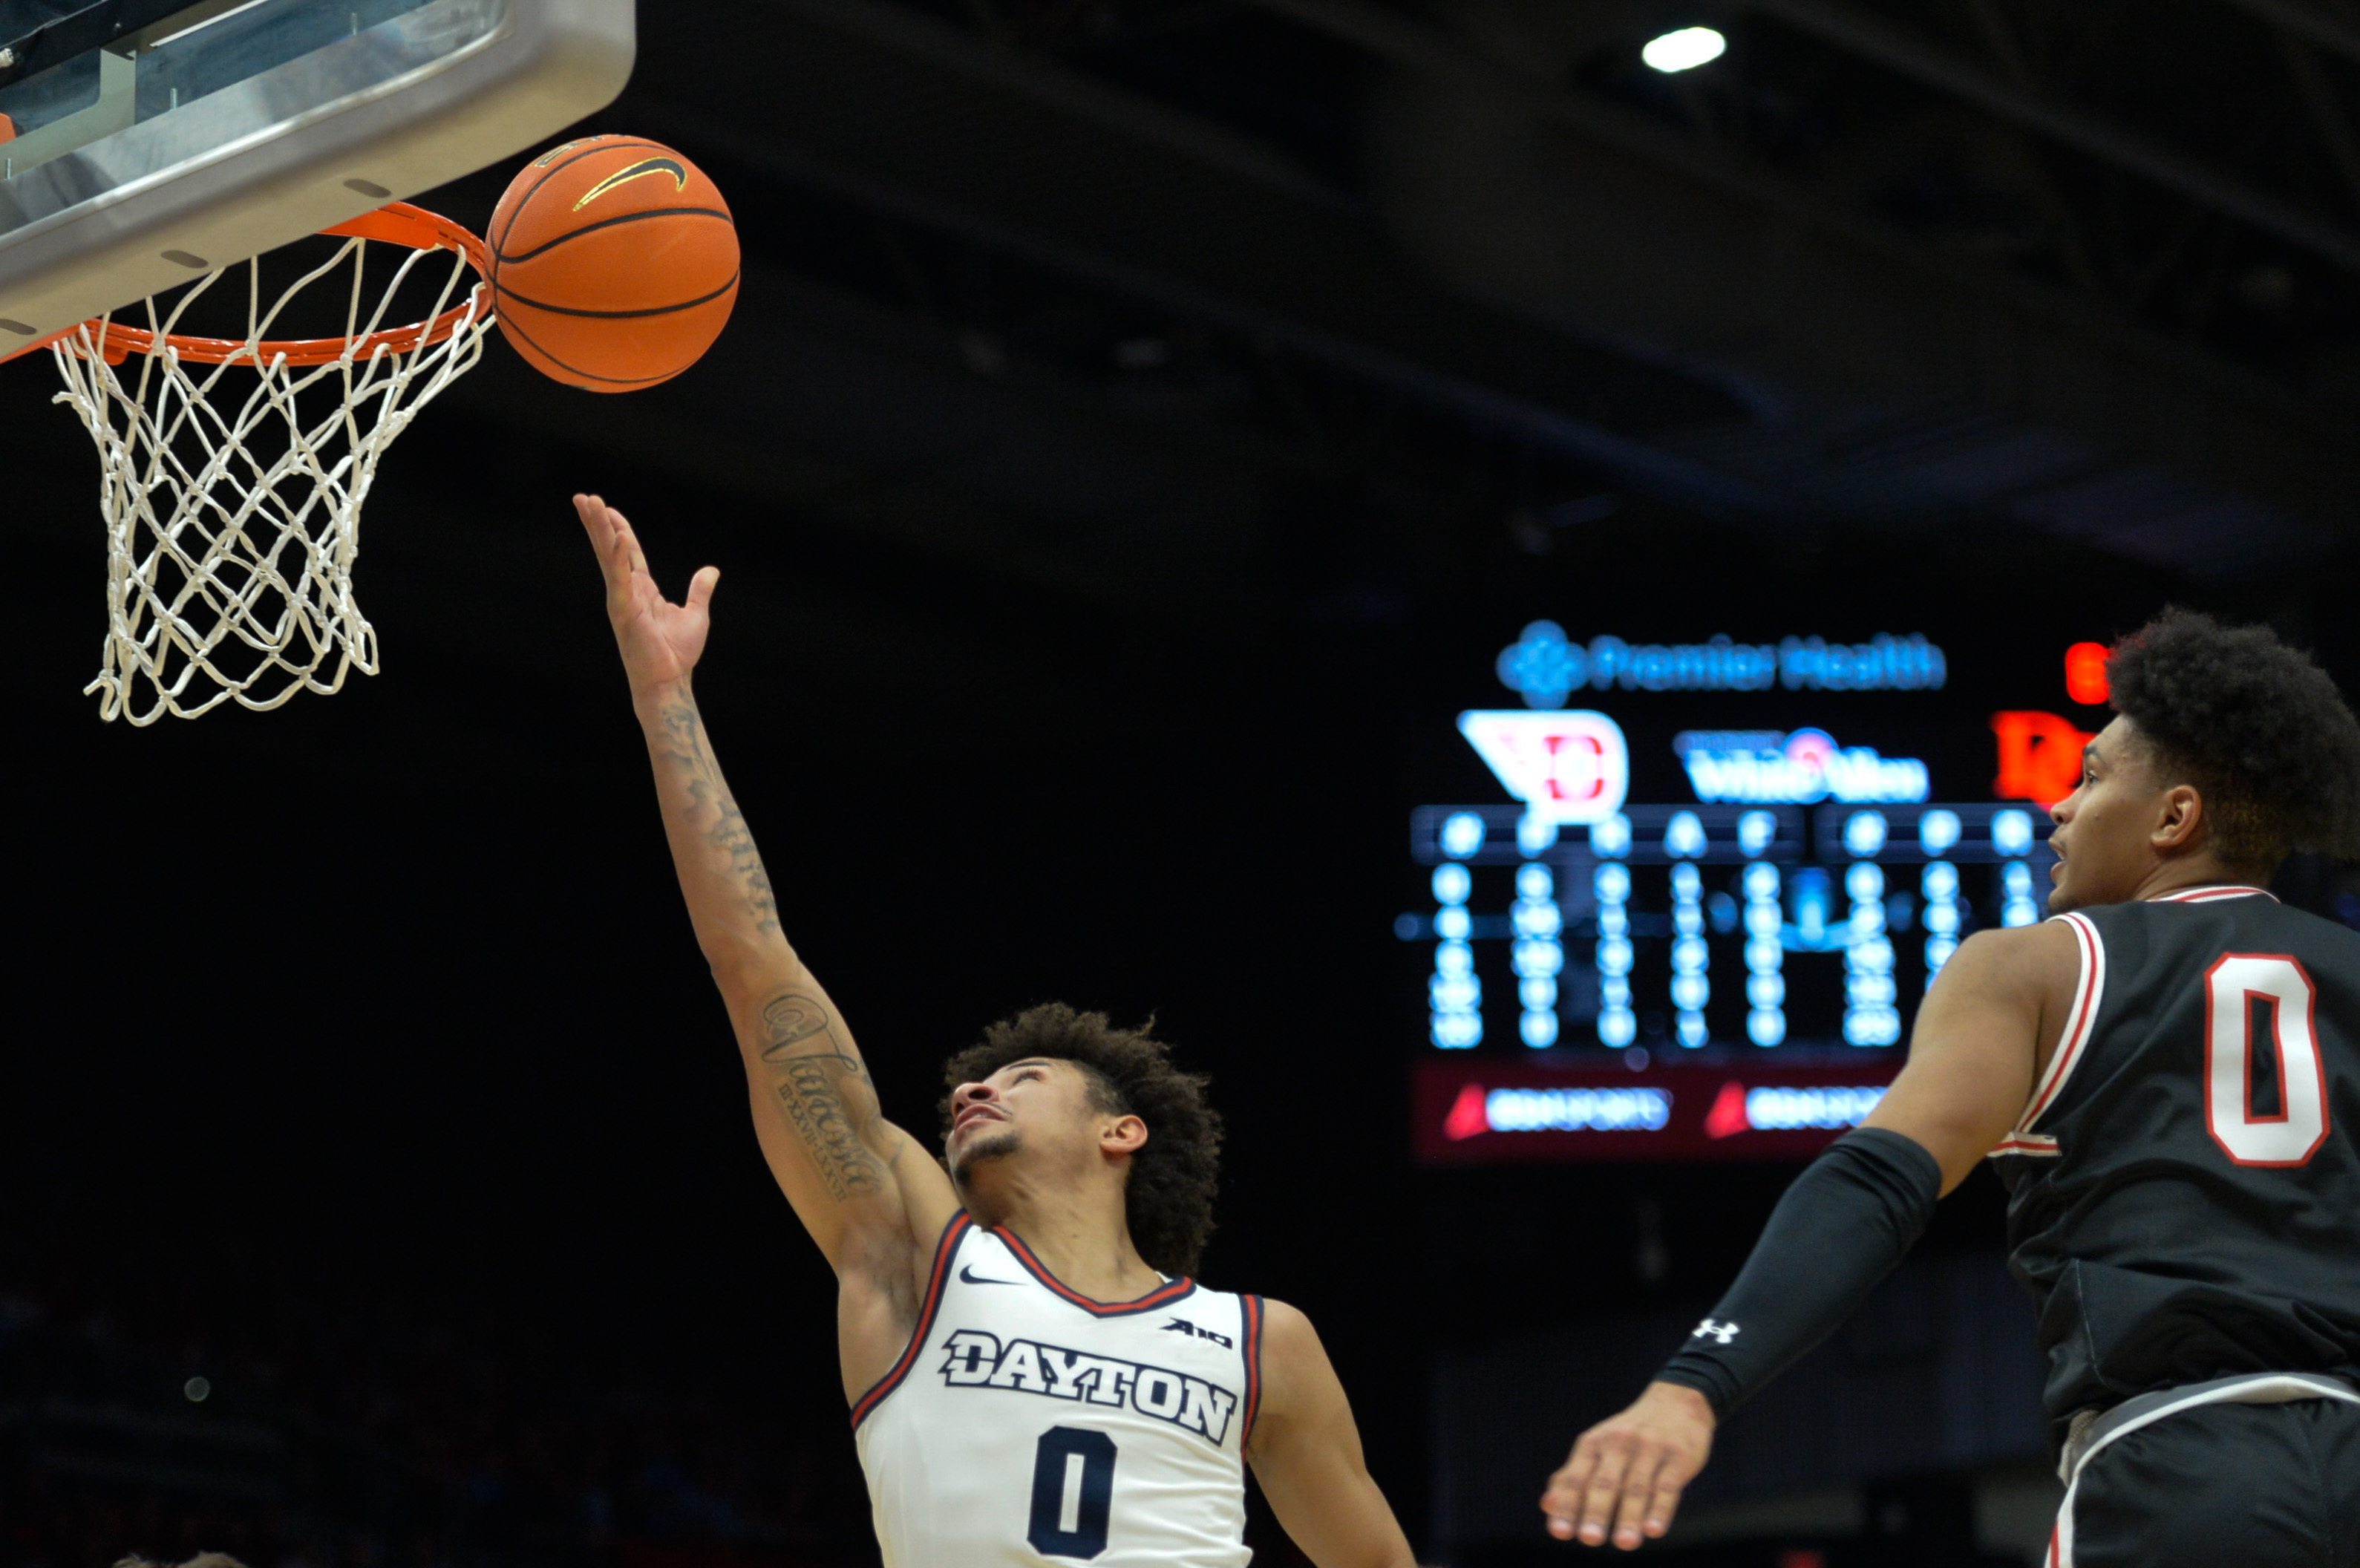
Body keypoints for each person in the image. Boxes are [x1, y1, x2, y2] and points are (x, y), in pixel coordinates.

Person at [575, 494, 1418, 1568]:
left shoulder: (1261, 1343)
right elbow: (752, 962)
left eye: (1025, 1078)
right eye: (977, 1082)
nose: (976, 1092)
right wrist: (665, 702)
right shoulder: (917, 1250)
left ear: (1123, 1132)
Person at [1541, 609, 2360, 1565]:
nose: (2059, 807)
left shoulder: (2035, 967)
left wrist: (1693, 1383)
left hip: (2180, 1465)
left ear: (2175, 819)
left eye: (2091, 780)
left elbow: (1877, 1181)